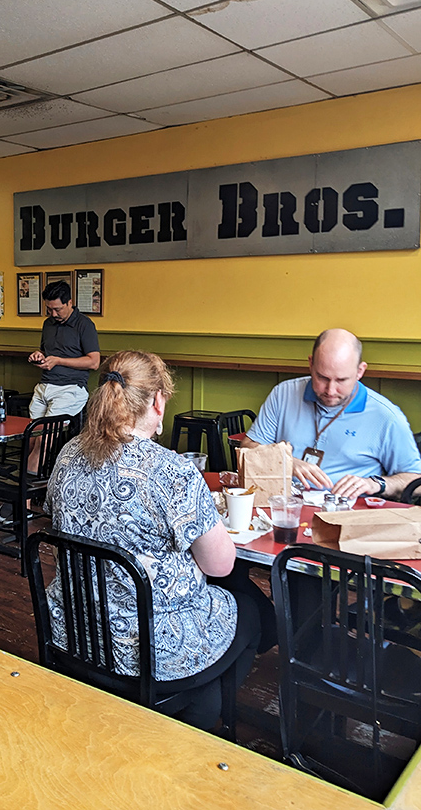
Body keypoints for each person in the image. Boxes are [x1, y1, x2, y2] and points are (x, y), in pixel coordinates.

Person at [44, 350, 267, 731]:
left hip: (73, 632)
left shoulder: (67, 454)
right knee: (253, 612)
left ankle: (199, 701)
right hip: (149, 648)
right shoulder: (172, 471)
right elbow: (220, 566)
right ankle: (200, 718)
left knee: (211, 671)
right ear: (158, 400)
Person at [241, 328, 421, 500]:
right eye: (322, 377)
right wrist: (285, 462)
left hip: (347, 515)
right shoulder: (283, 394)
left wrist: (376, 484)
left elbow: (416, 482)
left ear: (360, 371)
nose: (330, 390)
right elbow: (248, 447)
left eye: (341, 380)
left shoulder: (386, 417)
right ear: (311, 364)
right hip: (285, 506)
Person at [27, 280, 100, 420]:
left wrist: (59, 361)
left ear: (69, 303)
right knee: (31, 433)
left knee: (45, 435)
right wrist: (39, 355)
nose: (53, 314)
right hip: (44, 385)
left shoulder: (84, 324)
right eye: (49, 309)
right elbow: (45, 351)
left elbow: (94, 362)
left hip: (70, 388)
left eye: (58, 309)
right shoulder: (48, 323)